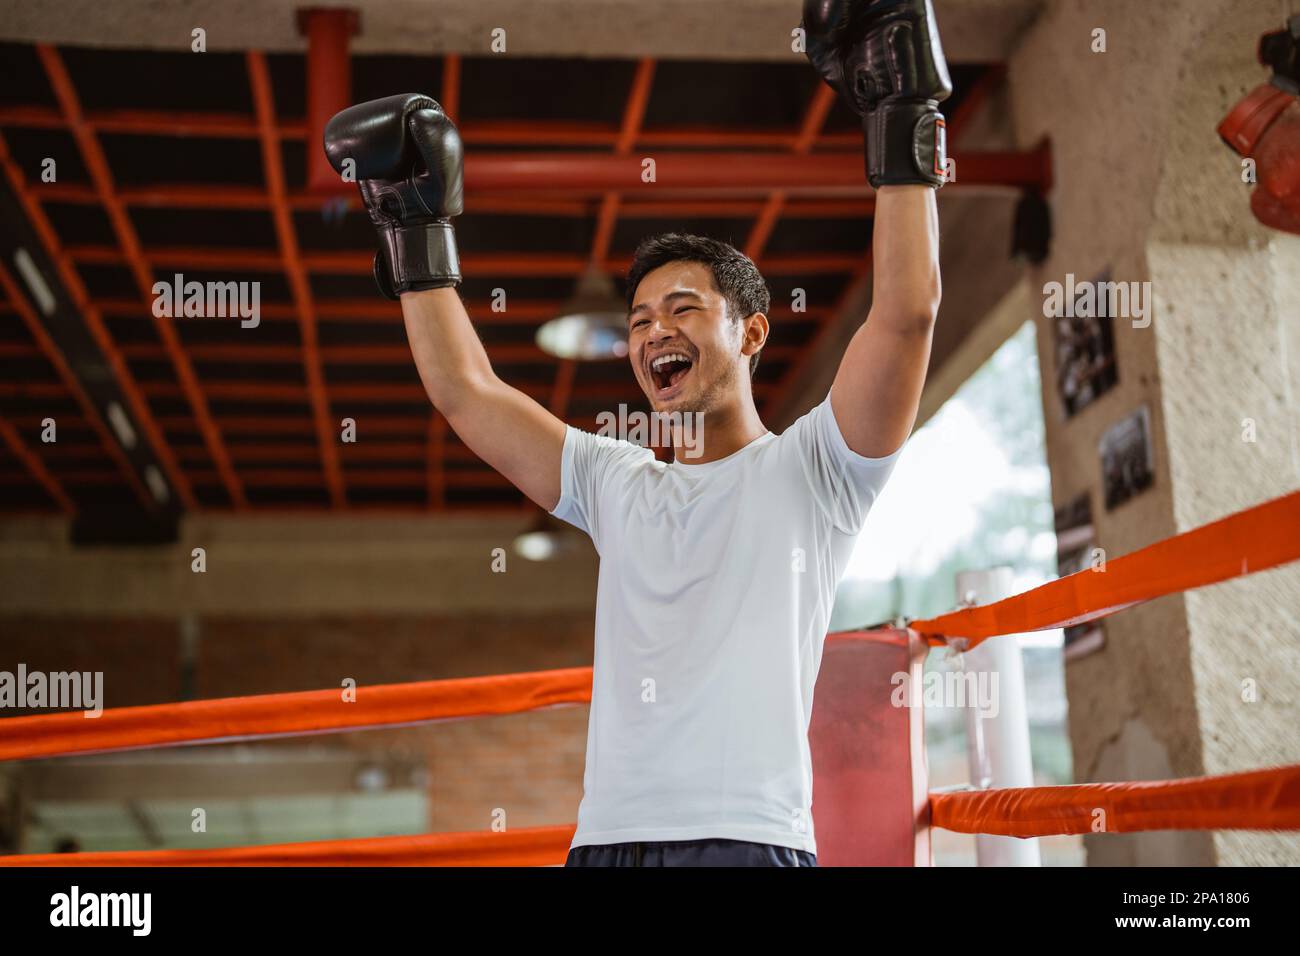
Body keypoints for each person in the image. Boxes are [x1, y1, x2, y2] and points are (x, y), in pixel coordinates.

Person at [324, 0, 949, 866]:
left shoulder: (819, 469)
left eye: (684, 308)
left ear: (753, 333)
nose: (655, 331)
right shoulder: (615, 482)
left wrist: (903, 116)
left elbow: (907, 313)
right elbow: (465, 394)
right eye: (641, 319)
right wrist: (414, 228)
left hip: (746, 841)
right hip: (609, 846)